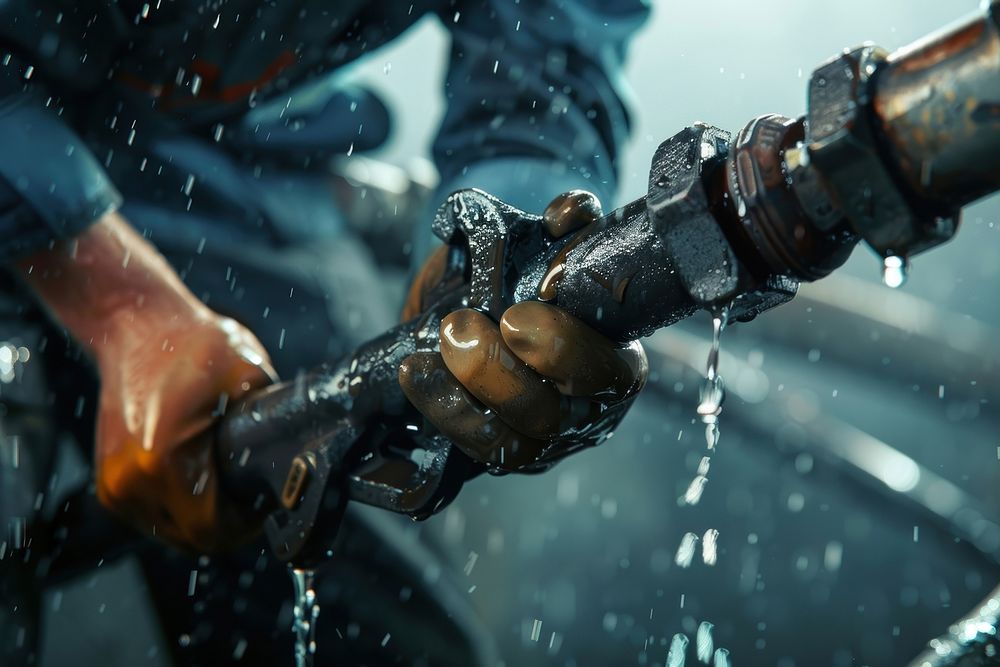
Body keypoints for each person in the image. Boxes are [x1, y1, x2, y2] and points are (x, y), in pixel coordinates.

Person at [0, 1, 649, 664]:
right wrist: (121, 304)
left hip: (224, 183)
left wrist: (501, 262)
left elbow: (545, 52)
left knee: (386, 628)